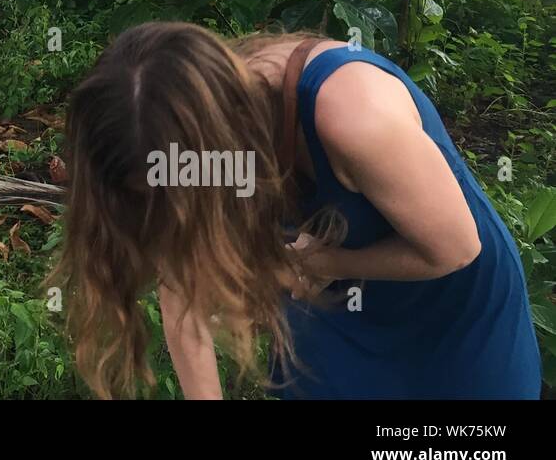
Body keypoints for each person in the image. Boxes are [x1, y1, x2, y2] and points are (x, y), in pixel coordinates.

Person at [53, 21, 542, 400]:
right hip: (334, 319)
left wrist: (331, 263)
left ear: (222, 142)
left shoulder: (352, 114)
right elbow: (180, 286)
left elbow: (455, 248)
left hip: (452, 330)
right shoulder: (184, 131)